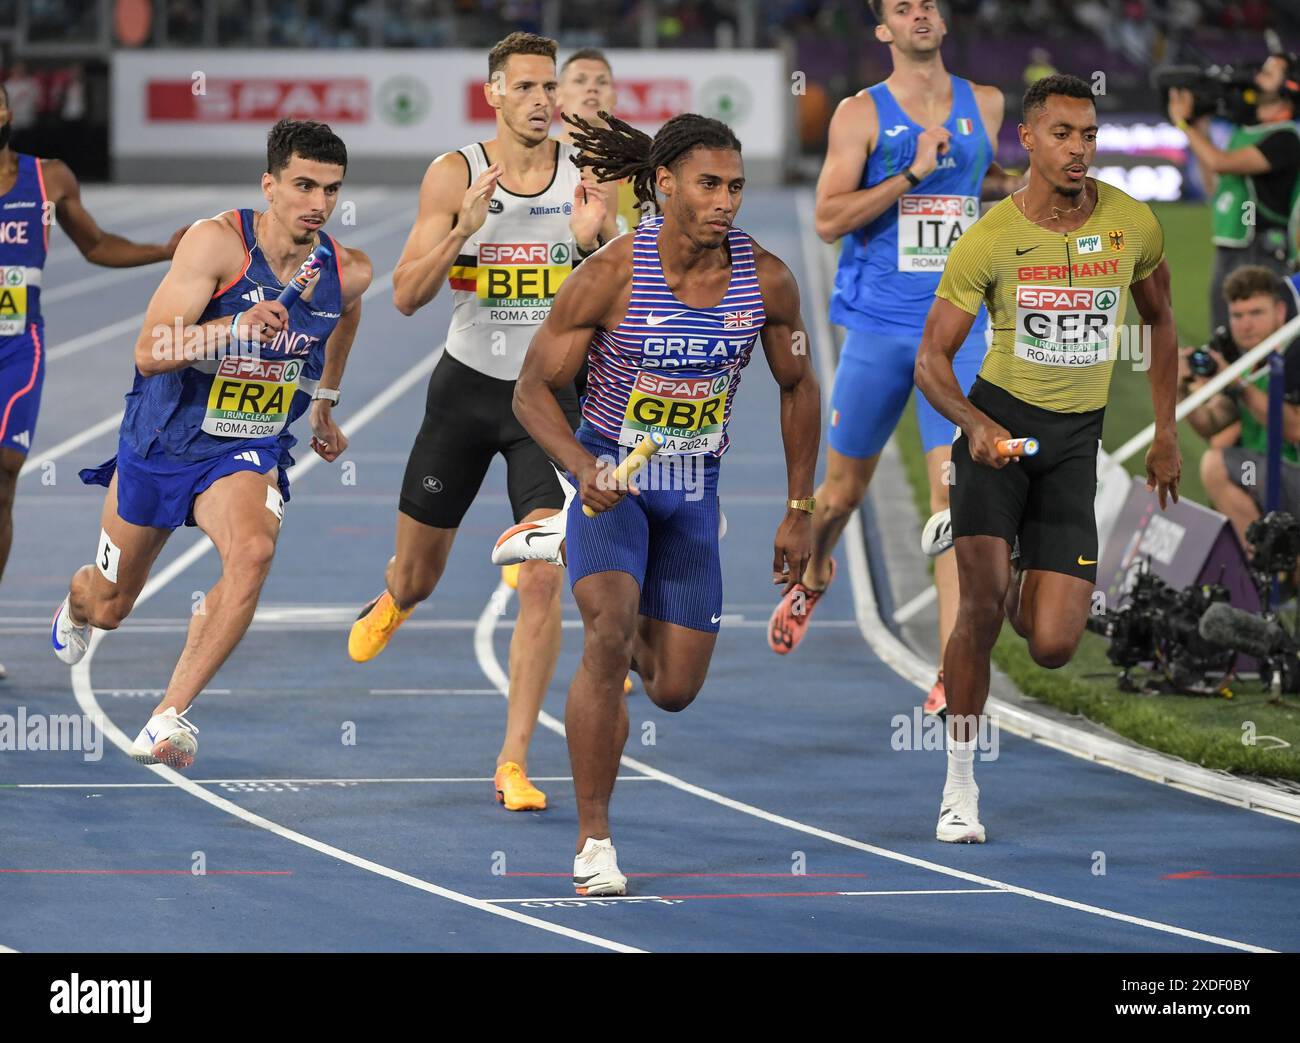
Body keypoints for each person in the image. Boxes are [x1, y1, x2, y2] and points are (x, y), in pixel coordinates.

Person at [496, 112, 820, 895]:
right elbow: (532, 389)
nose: (726, 201)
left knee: (673, 689)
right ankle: (595, 839)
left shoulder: (769, 279)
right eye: (710, 184)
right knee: (607, 632)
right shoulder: (610, 275)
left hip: (691, 491)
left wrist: (801, 505)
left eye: (736, 186)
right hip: (612, 487)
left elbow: (797, 385)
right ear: (665, 184)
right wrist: (580, 467)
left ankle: (558, 541)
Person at [50, 118, 370, 770]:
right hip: (162, 438)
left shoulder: (344, 269)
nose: (318, 203)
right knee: (110, 604)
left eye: (331, 190)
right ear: (269, 185)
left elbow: (347, 309)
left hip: (242, 447)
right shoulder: (215, 245)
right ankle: (78, 600)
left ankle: (168, 715)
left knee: (252, 550)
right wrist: (234, 327)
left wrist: (326, 401)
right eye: (304, 185)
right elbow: (150, 351)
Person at [914, 74, 1180, 842]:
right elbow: (931, 360)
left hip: (1074, 444)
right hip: (998, 432)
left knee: (1056, 644)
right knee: (982, 607)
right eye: (1062, 134)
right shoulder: (991, 237)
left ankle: (994, 541)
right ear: (1026, 140)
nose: (1079, 149)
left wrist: (1165, 433)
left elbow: (1162, 322)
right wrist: (970, 425)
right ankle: (960, 785)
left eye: (1089, 134)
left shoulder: (1132, 225)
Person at [346, 32, 606, 813]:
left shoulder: (585, 177)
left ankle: (514, 761)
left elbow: (619, 285)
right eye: (523, 87)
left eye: (547, 88)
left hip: (547, 400)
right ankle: (394, 598)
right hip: (464, 393)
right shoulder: (452, 175)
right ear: (492, 93)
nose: (539, 101)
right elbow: (404, 295)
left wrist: (600, 243)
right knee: (417, 575)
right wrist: (462, 228)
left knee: (543, 571)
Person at [766, 0, 1018, 719]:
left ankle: (951, 670)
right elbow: (826, 217)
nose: (920, 14)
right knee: (840, 494)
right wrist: (910, 174)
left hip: (959, 330)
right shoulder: (859, 114)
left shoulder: (987, 104)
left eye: (929, 4)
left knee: (952, 502)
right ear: (882, 30)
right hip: (879, 329)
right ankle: (815, 573)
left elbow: (980, 185)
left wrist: (1014, 191)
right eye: (903, 7)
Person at [0, 83, 184, 680]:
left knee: (4, 469)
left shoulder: (49, 179)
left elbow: (98, 244)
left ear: (9, 110)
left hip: (15, 350)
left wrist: (165, 250)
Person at [1169, 53, 1300, 330]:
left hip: (1262, 247)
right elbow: (1213, 186)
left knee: (1258, 336)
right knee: (1225, 332)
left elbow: (1222, 163)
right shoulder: (1244, 132)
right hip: (1231, 245)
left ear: (1289, 86)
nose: (1258, 76)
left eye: (1269, 72)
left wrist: (1183, 125)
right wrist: (1200, 130)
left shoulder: (1287, 137)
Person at [1185, 267, 1300, 544]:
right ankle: (1272, 564)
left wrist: (1238, 385)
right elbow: (1212, 423)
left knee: (1216, 465)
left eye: (1256, 313)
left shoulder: (1295, 356)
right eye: (1238, 315)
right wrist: (1180, 389)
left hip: (1292, 473)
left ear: (1281, 312)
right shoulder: (1245, 363)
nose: (1246, 325)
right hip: (1269, 476)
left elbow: (1295, 430)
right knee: (1219, 451)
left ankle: (1267, 563)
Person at [556, 48, 642, 238]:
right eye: (580, 80)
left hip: (624, 263)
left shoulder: (640, 157)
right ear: (558, 94)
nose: (592, 88)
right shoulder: (541, 154)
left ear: (614, 97)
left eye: (602, 82)